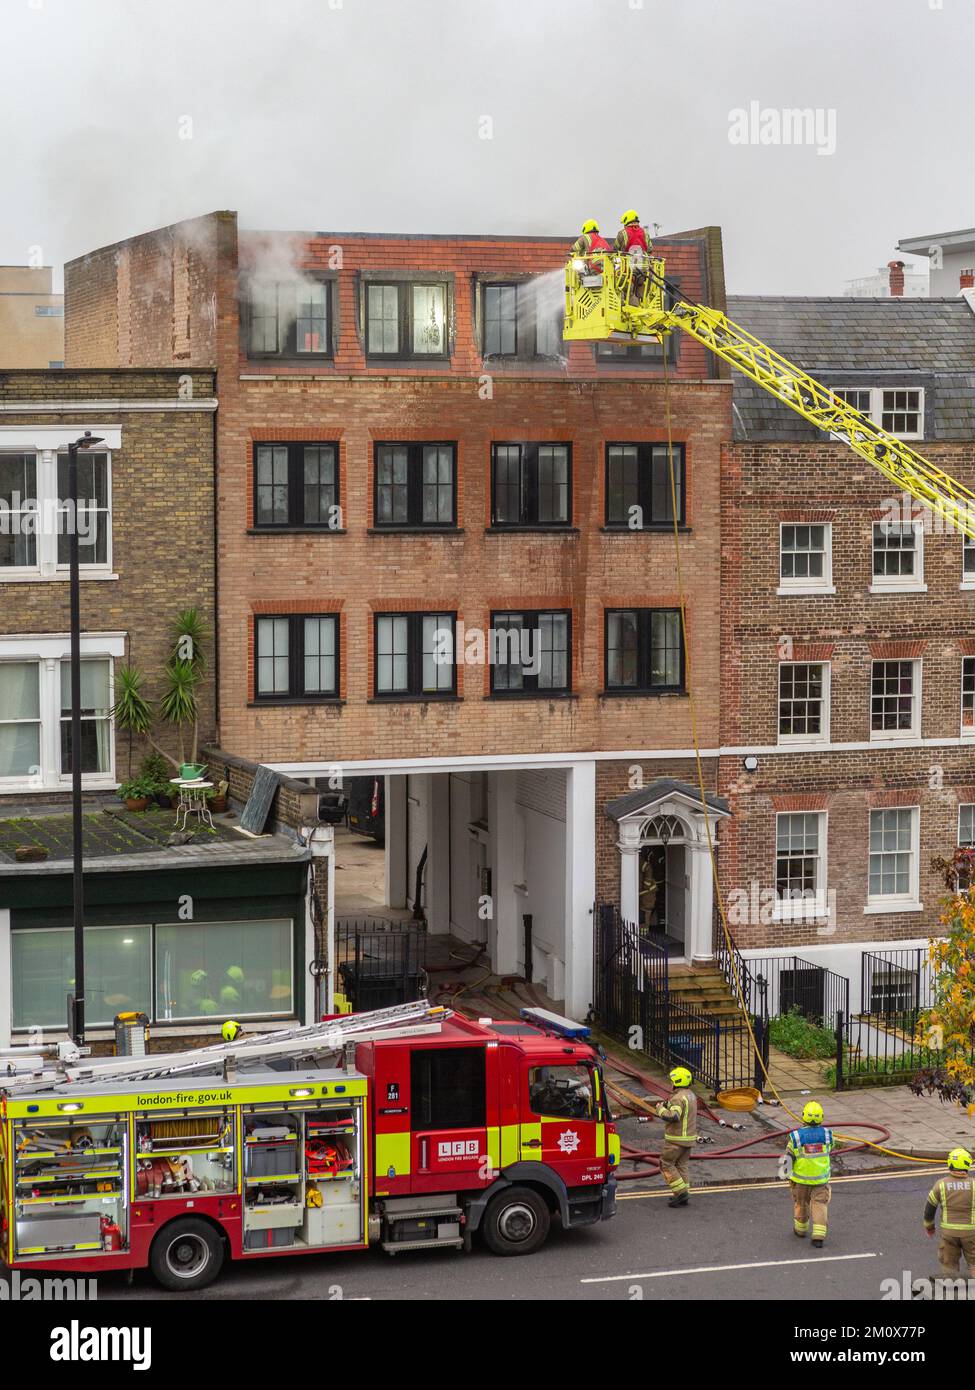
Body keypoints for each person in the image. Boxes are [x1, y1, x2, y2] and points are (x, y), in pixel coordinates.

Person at [787, 1101, 835, 1247]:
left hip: (800, 1181)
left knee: (801, 1203)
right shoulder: (828, 1135)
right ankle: (819, 1236)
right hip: (820, 1180)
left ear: (803, 1117)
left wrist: (784, 1174)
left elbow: (789, 1156)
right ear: (821, 1117)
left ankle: (801, 1230)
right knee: (819, 1204)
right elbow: (830, 1148)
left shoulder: (796, 1136)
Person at [923, 1147, 975, 1280]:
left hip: (949, 1233)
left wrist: (929, 1227)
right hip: (971, 1233)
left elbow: (930, 1208)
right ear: (968, 1164)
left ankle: (952, 1290)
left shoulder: (940, 1185)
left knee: (949, 1265)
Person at [654, 1065, 697, 1206]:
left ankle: (680, 1193)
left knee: (665, 1164)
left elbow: (674, 1116)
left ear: (677, 1081)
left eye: (672, 1081)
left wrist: (660, 1109)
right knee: (681, 1165)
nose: (670, 1083)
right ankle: (684, 1193)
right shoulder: (690, 1095)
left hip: (676, 1140)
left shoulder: (678, 1098)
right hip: (689, 1139)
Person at [613, 209, 652, 304]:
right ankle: (642, 303)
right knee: (641, 291)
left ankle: (622, 304)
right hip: (644, 270)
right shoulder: (645, 233)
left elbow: (616, 250)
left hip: (627, 270)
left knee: (616, 283)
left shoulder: (622, 233)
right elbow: (650, 249)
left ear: (626, 221)